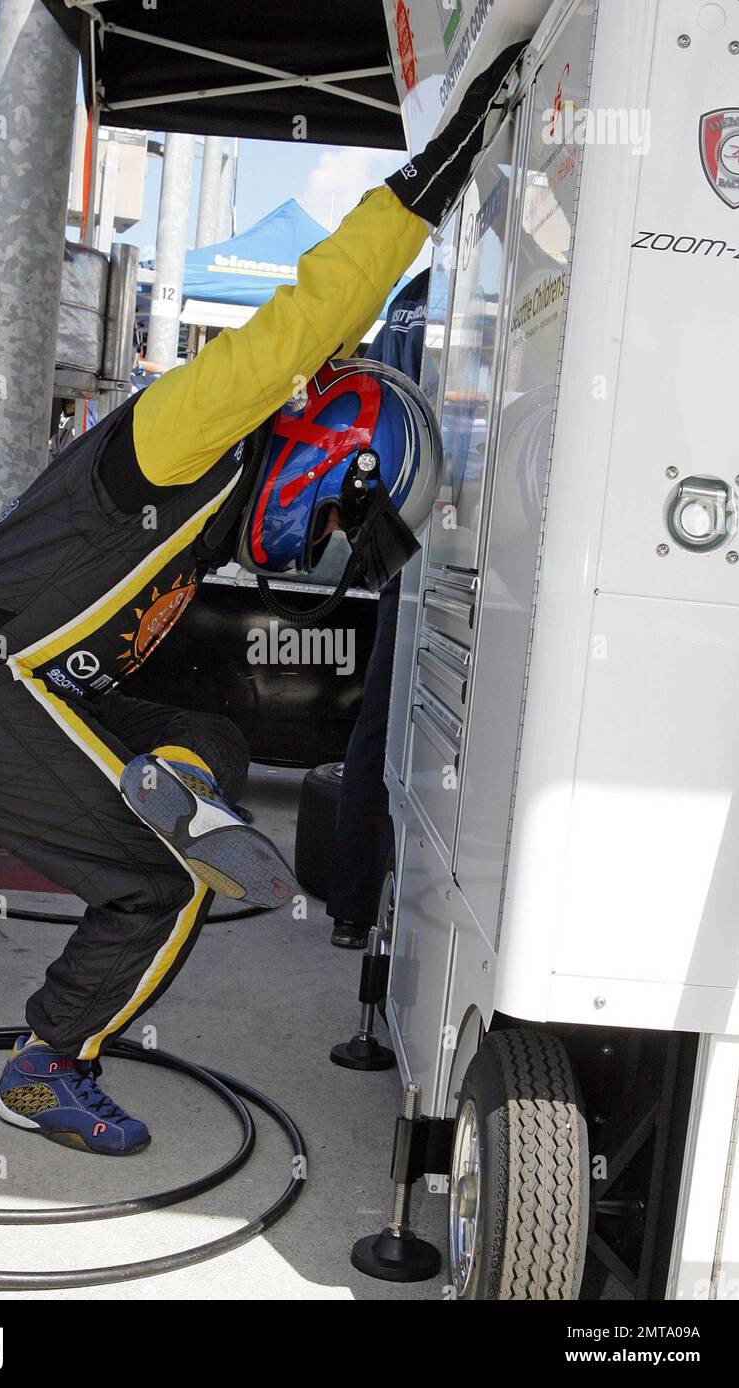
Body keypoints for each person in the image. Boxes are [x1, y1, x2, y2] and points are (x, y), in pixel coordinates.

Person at [0, 45, 524, 1156]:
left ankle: (170, 787)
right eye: (335, 518)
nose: (318, 540)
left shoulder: (204, 531)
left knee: (208, 734)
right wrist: (421, 196)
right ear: (332, 457)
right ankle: (45, 1067)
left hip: (15, 685)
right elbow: (304, 324)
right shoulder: (185, 443)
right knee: (160, 889)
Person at [327, 268, 430, 948]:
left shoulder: (411, 297)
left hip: (407, 534)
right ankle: (378, 904)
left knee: (383, 719)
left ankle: (353, 907)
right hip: (461, 547)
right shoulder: (470, 288)